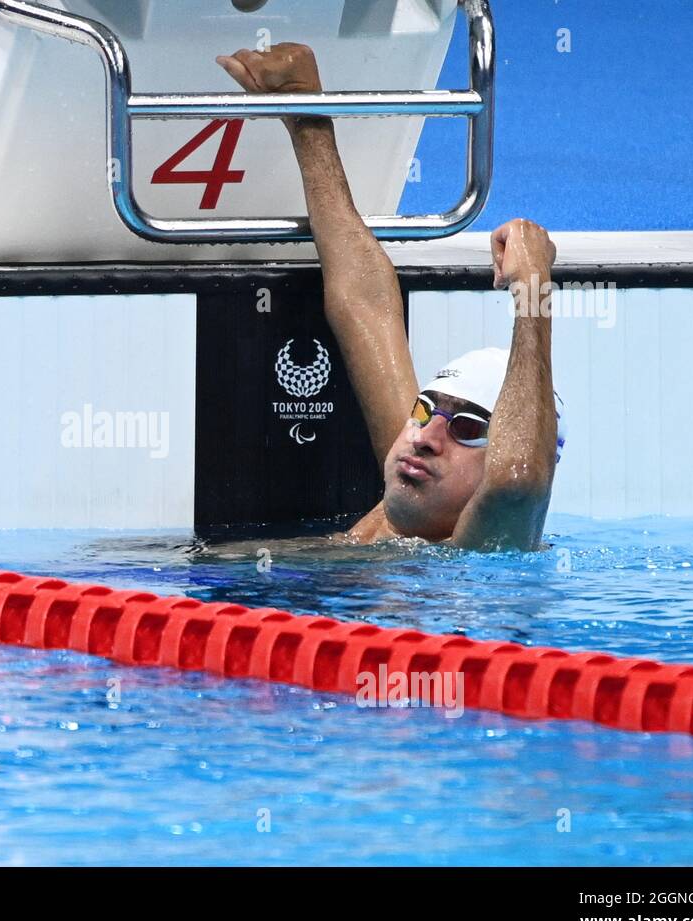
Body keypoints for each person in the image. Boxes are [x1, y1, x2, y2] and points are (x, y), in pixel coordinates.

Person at [217, 43, 565, 551]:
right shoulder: (416, 484)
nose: (424, 435)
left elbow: (517, 484)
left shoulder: (483, 548)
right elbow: (364, 302)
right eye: (424, 411)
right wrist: (303, 110)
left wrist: (533, 287)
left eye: (467, 428)